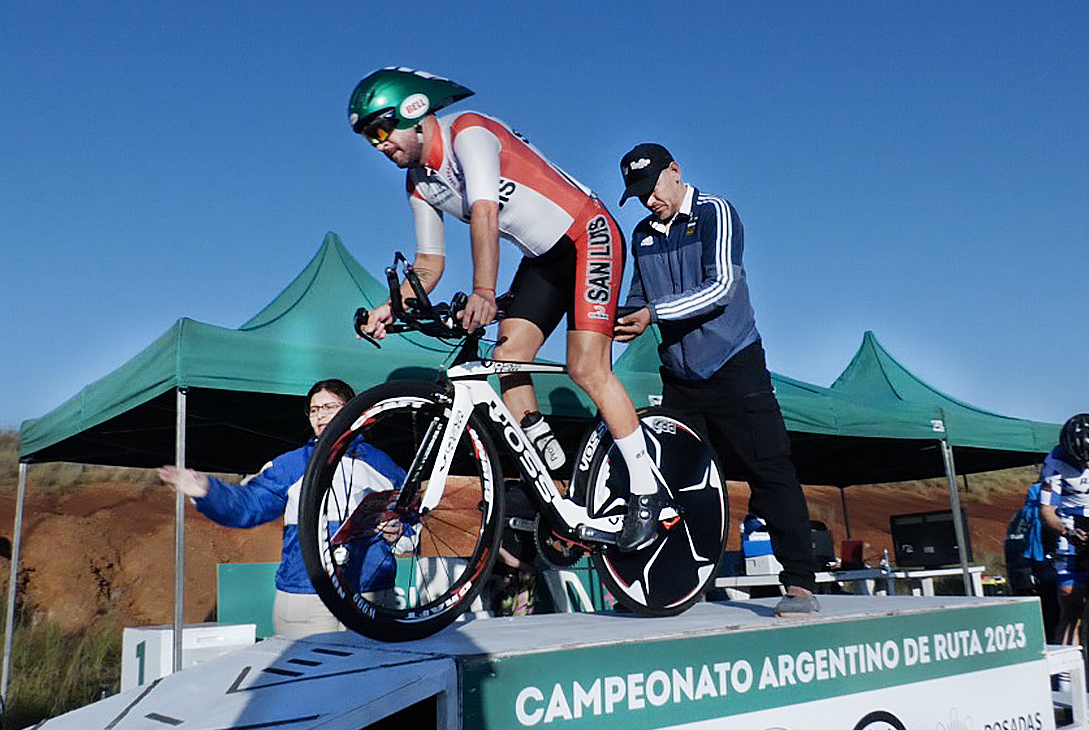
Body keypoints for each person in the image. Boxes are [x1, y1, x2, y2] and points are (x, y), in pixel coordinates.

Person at [348, 67, 672, 552]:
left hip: (588, 234)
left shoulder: (468, 133)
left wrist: (483, 290)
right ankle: (547, 464)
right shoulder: (419, 183)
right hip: (541, 259)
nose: (378, 145)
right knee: (506, 353)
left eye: (380, 129)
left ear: (414, 112)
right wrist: (390, 308)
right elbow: (429, 264)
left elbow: (485, 212)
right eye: (367, 137)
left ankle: (649, 494)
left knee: (586, 366)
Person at [613, 143, 819, 617]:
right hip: (681, 378)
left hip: (735, 364)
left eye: (651, 188)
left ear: (675, 172)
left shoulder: (715, 213)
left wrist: (652, 314)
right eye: (638, 195)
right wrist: (616, 320)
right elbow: (638, 298)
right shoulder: (642, 235)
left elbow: (722, 287)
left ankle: (801, 586)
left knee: (770, 469)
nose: (648, 202)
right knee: (674, 483)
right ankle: (676, 587)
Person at [158, 379, 406, 639]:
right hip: (307, 598)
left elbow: (410, 517)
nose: (319, 414)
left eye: (328, 406)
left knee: (371, 679)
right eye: (313, 409)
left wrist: (399, 532)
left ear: (353, 410)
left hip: (372, 595)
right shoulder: (290, 465)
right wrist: (208, 491)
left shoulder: (383, 465)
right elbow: (249, 505)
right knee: (308, 678)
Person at [1038, 413, 1089, 651]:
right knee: (1072, 607)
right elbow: (1047, 512)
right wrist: (1067, 532)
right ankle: (1066, 678)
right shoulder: (1055, 461)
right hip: (1072, 526)